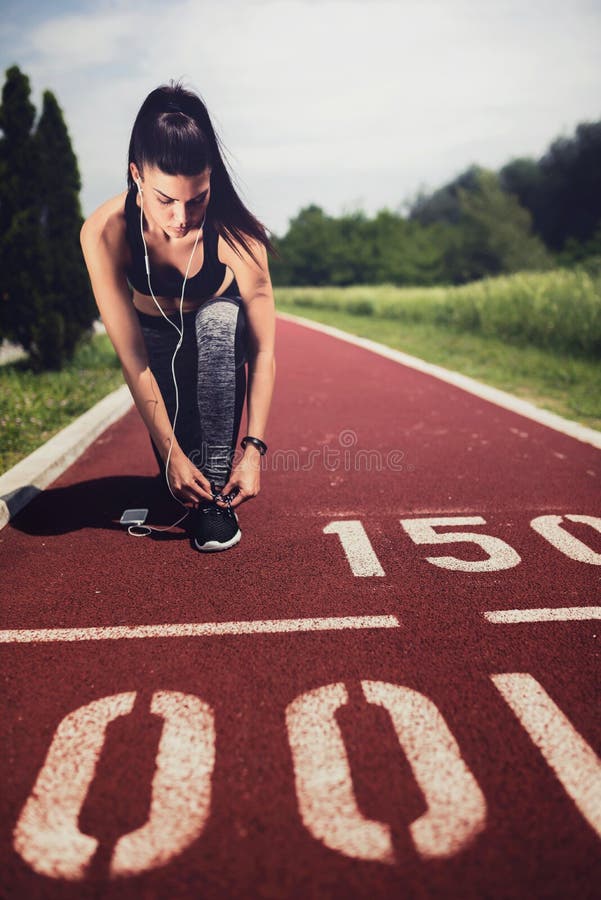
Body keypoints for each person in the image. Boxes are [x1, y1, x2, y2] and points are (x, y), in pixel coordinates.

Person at [80, 80, 277, 552]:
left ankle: (214, 500)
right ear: (136, 177)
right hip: (155, 347)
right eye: (166, 200)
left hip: (219, 349)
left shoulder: (240, 241)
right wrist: (169, 452)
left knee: (216, 322)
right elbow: (132, 357)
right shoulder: (104, 232)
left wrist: (252, 453)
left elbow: (265, 350)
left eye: (198, 198)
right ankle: (183, 462)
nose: (182, 218)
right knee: (174, 472)